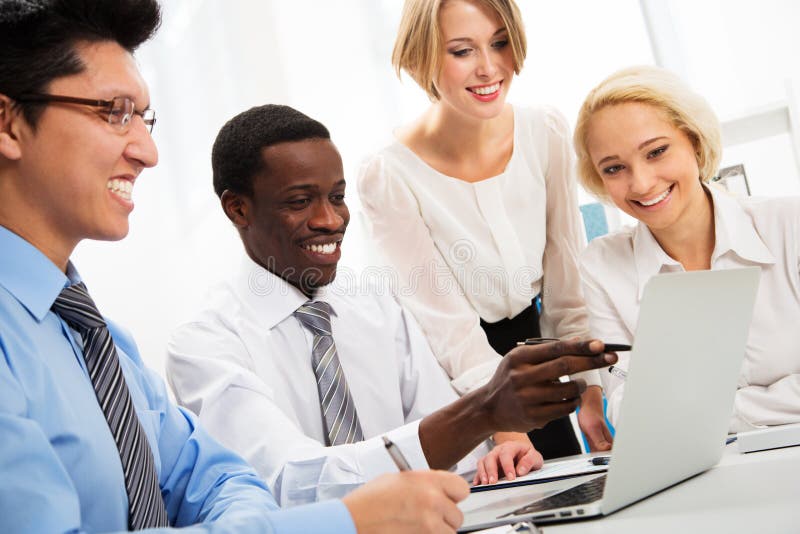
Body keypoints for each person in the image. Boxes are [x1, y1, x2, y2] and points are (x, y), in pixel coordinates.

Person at [0, 1, 474, 532]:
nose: (148, 151)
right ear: (9, 123)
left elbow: (229, 482)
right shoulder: (188, 338)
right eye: (115, 111)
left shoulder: (105, 344)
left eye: (143, 117)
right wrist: (349, 522)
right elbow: (278, 484)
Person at [166, 103, 618, 502]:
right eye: (301, 201)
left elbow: (452, 454)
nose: (330, 220)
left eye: (338, 197)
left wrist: (497, 452)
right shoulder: (204, 346)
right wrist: (482, 410)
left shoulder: (377, 306)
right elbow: (290, 484)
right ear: (238, 209)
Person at [357, 0, 611, 459]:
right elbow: (445, 323)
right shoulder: (389, 175)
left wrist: (589, 391)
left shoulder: (545, 131)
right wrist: (504, 424)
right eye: (462, 51)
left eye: (499, 43)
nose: (490, 68)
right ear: (422, 57)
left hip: (540, 362)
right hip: (462, 391)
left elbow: (565, 284)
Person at [574, 65, 800, 433]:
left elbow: (659, 416)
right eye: (614, 168)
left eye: (656, 152)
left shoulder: (790, 226)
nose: (642, 183)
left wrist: (707, 415)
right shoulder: (602, 266)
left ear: (694, 141)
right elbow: (629, 410)